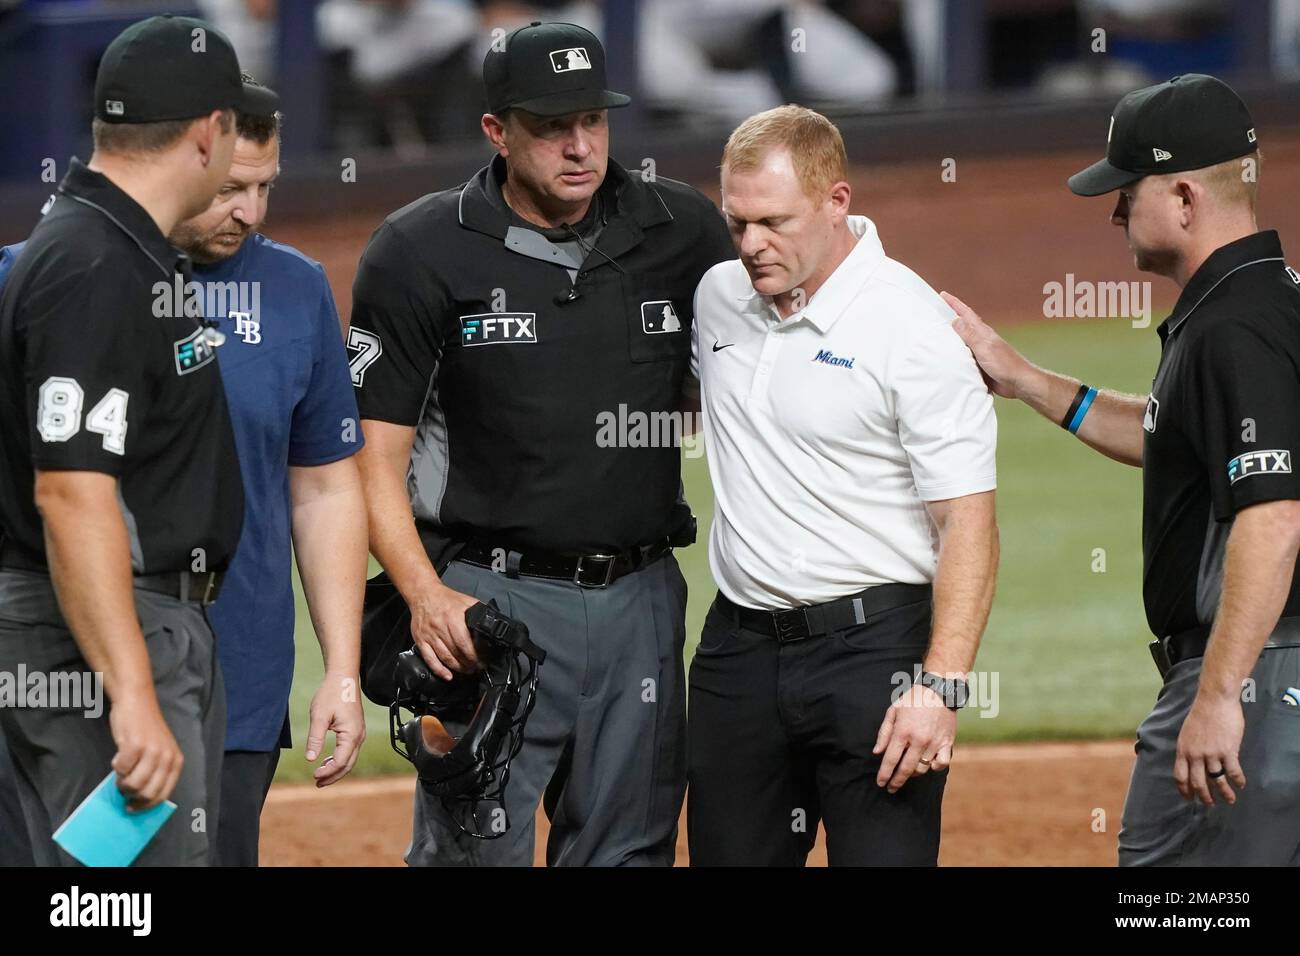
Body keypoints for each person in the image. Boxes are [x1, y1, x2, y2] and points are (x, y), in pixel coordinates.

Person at [349, 20, 734, 866]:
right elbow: (369, 462)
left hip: (640, 600)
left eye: (593, 120)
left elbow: (737, 387)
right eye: (552, 126)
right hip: (490, 604)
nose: (579, 145)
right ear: (497, 131)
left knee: (629, 852)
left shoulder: (683, 230)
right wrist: (423, 596)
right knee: (471, 853)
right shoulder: (419, 249)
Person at [945, 73, 1300, 865]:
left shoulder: (1232, 329)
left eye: (1125, 190)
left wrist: (1217, 694)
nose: (1114, 212)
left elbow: (1273, 516)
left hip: (1257, 675)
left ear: (1182, 196)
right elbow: (1169, 434)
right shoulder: (1264, 301)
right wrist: (1028, 380)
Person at [687, 105, 999, 866]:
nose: (751, 245)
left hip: (875, 658)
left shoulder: (911, 326)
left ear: (837, 203)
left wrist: (943, 686)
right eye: (736, 222)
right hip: (739, 654)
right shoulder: (718, 297)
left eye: (773, 221)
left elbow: (969, 524)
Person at [0, 15, 252, 866]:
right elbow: (71, 491)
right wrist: (131, 691)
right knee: (115, 905)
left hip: (128, 626)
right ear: (210, 133)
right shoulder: (95, 266)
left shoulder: (118, 248)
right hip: (104, 633)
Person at [167, 75, 369, 866]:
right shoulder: (45, 272)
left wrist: (342, 674)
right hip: (81, 684)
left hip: (238, 679)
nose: (248, 212)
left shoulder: (295, 289)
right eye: (228, 189)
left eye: (264, 188)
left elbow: (323, 486)